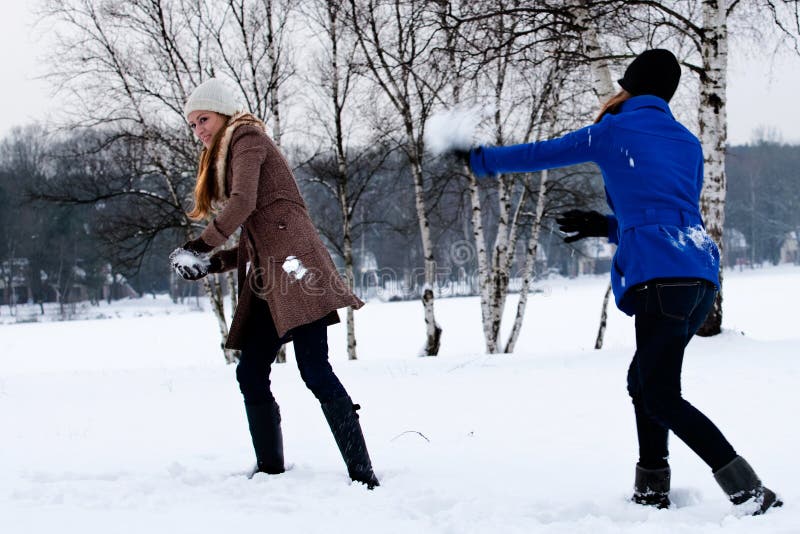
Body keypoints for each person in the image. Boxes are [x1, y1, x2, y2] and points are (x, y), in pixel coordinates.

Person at [463, 50, 780, 514]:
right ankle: (652, 486)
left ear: (630, 84)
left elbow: (541, 153)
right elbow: (674, 217)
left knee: (660, 394)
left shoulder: (613, 130)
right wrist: (605, 226)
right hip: (697, 280)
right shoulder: (688, 142)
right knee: (645, 383)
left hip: (661, 279)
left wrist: (479, 160)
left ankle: (751, 492)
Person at [172, 77, 379, 489]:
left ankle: (363, 475)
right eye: (193, 125)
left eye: (204, 119)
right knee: (250, 373)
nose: (199, 131)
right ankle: (269, 470)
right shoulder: (230, 153)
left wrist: (200, 244)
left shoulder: (248, 138)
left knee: (315, 371)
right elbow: (253, 244)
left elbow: (243, 204)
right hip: (270, 283)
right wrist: (209, 264)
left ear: (224, 113)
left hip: (298, 276)